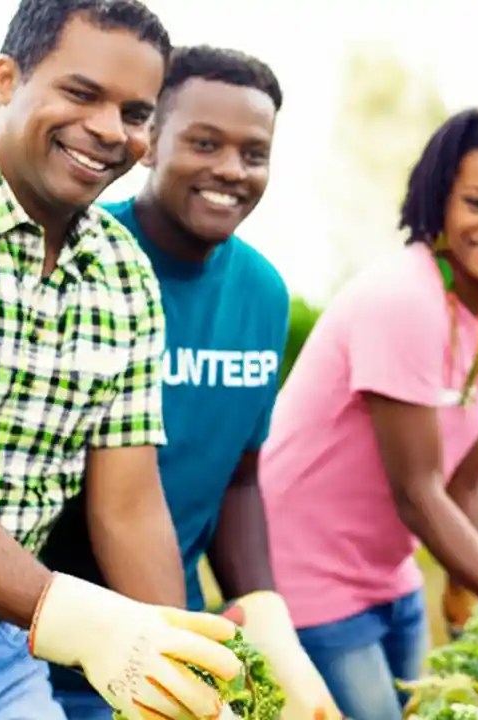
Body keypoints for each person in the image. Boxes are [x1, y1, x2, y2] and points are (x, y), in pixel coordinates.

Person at [0, 1, 242, 719]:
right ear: (7, 79)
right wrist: (83, 624)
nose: (109, 130)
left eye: (136, 113)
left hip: (2, 656)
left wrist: (176, 663)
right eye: (81, 94)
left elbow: (129, 508)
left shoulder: (123, 274)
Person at [39, 45, 341, 719]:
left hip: (182, 630)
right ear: (148, 144)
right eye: (204, 143)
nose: (230, 170)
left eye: (253, 153)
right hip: (50, 648)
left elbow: (238, 476)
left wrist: (267, 618)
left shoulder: (262, 292)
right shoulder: (83, 262)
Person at [258, 106, 478, 720]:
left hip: (387, 567)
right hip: (308, 569)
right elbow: (419, 490)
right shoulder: (401, 299)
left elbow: (466, 482)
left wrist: (470, 592)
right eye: (477, 202)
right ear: (440, 202)